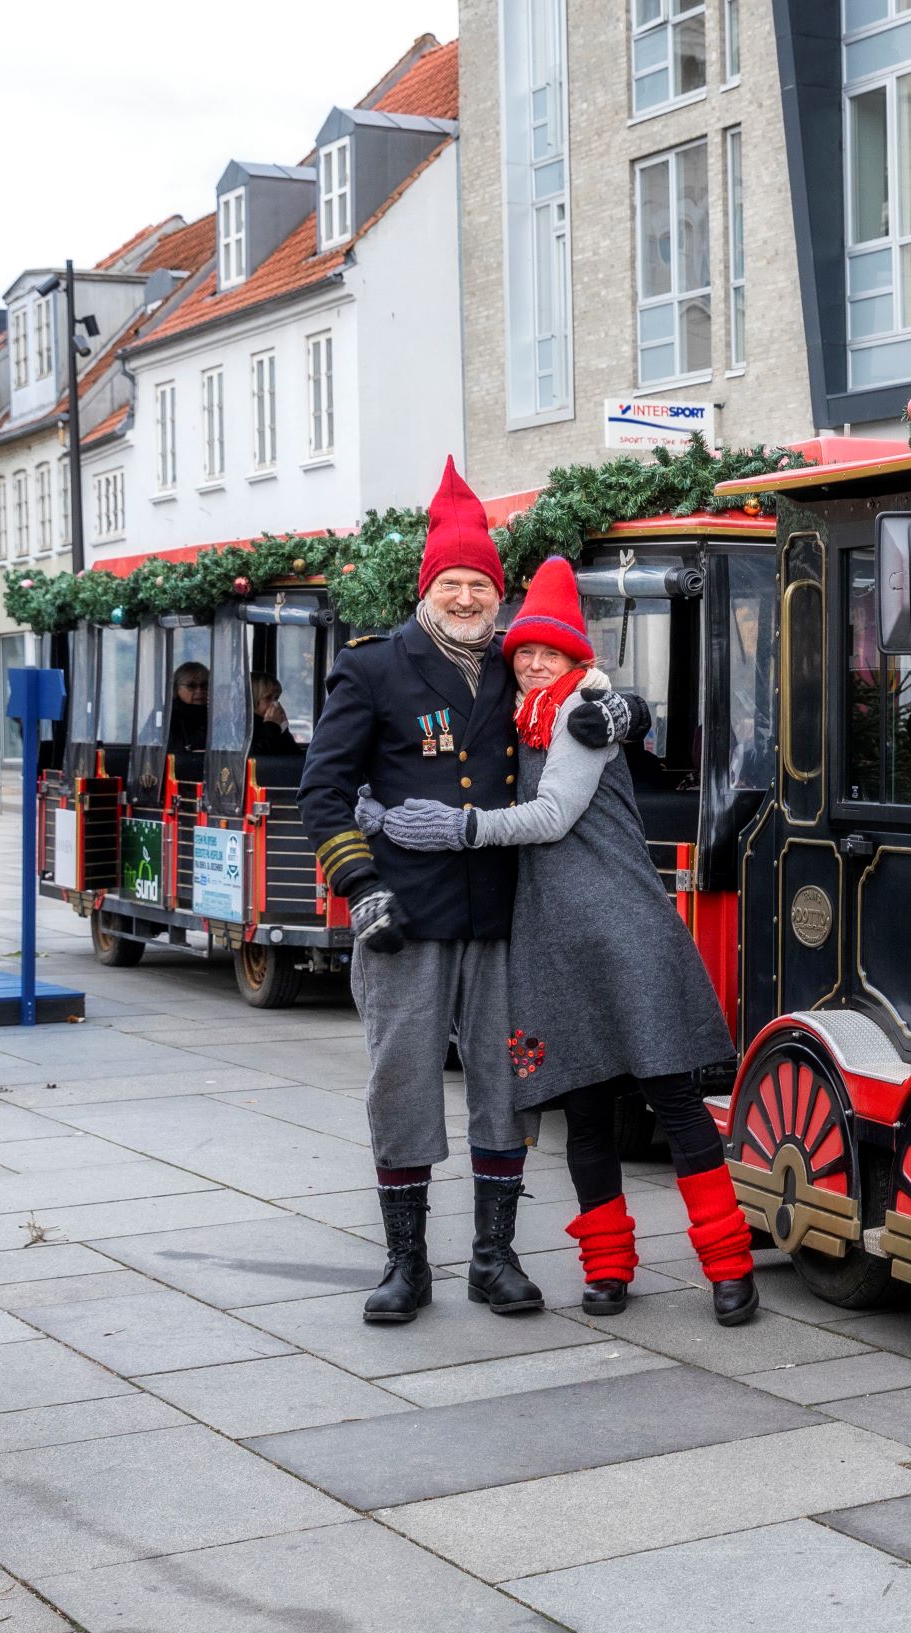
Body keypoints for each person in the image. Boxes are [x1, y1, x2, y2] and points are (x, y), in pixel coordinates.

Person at [362, 558, 756, 1326]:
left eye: (552, 653)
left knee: (675, 1102)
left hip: (622, 933)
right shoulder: (519, 714)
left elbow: (549, 816)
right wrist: (378, 808)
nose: (535, 662)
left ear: (579, 659)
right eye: (525, 654)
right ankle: (607, 1267)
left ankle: (729, 1264)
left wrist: (459, 827)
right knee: (585, 1114)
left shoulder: (579, 713)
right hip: (552, 944)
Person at [299, 457, 638, 1326]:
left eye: (479, 584)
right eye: (450, 582)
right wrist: (359, 882)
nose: (465, 598)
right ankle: (406, 1264)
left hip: (503, 917)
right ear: (428, 588)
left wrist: (625, 709)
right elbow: (324, 792)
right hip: (403, 920)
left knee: (505, 1084)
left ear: (498, 592)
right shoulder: (373, 669)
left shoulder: (517, 667)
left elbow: (585, 694)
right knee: (402, 1083)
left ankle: (495, 1256)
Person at [251, 673, 302, 758]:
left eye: (276, 698)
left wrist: (283, 728)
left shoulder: (274, 727)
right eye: (268, 698)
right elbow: (258, 759)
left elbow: (294, 757)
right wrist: (271, 725)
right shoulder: (246, 728)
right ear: (253, 699)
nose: (275, 703)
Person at [166, 661, 210, 756]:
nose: (199, 691)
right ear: (176, 688)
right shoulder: (166, 715)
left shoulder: (217, 714)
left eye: (204, 685)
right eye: (192, 686)